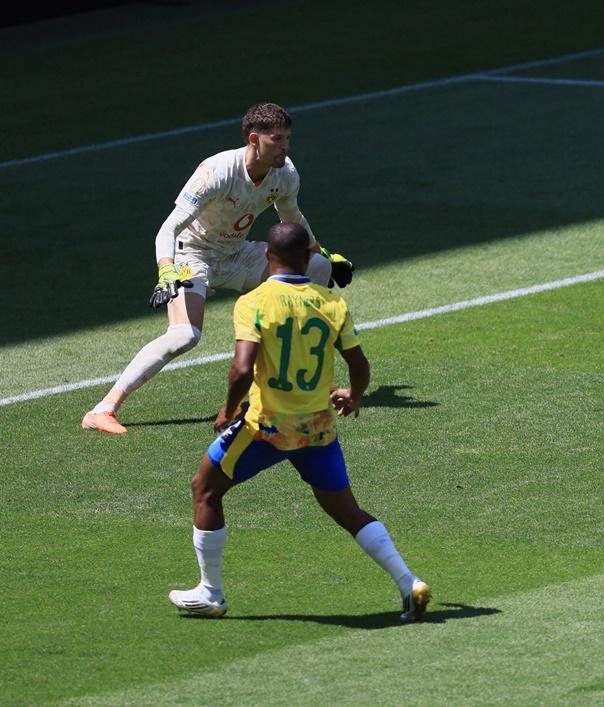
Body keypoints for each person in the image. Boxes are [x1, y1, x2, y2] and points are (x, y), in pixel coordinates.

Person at [168, 222, 429, 620]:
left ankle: (211, 593)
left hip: (265, 428)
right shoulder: (332, 303)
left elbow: (241, 370)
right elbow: (359, 365)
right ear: (309, 256)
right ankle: (408, 581)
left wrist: (229, 409)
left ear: (267, 256)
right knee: (347, 510)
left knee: (205, 487)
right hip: (317, 428)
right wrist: (355, 395)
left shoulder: (254, 302)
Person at [82, 102, 354, 435]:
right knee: (185, 335)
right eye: (277, 139)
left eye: (287, 138)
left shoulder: (284, 173)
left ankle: (284, 382)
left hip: (236, 254)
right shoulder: (217, 172)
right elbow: (169, 228)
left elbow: (292, 218)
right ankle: (102, 410)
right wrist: (166, 271)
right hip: (191, 256)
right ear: (254, 139)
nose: (285, 146)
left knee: (317, 268)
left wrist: (322, 251)